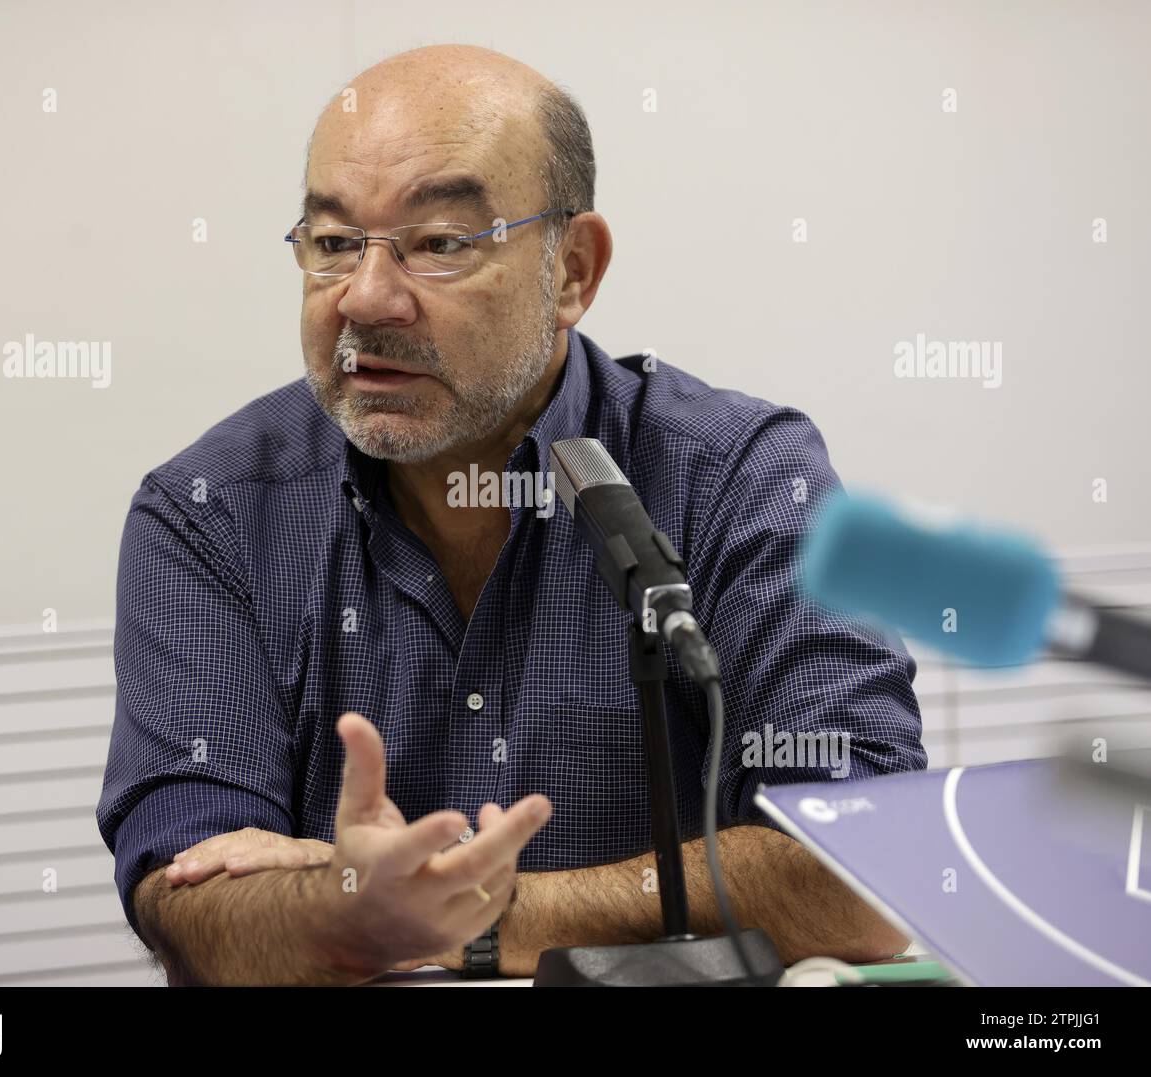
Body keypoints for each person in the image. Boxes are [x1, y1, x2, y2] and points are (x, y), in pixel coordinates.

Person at [97, 43, 925, 986]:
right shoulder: (209, 515)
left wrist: (447, 915)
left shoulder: (740, 478)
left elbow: (864, 867)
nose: (365, 296)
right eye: (333, 244)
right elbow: (191, 902)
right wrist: (345, 904)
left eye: (442, 241)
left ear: (572, 269)